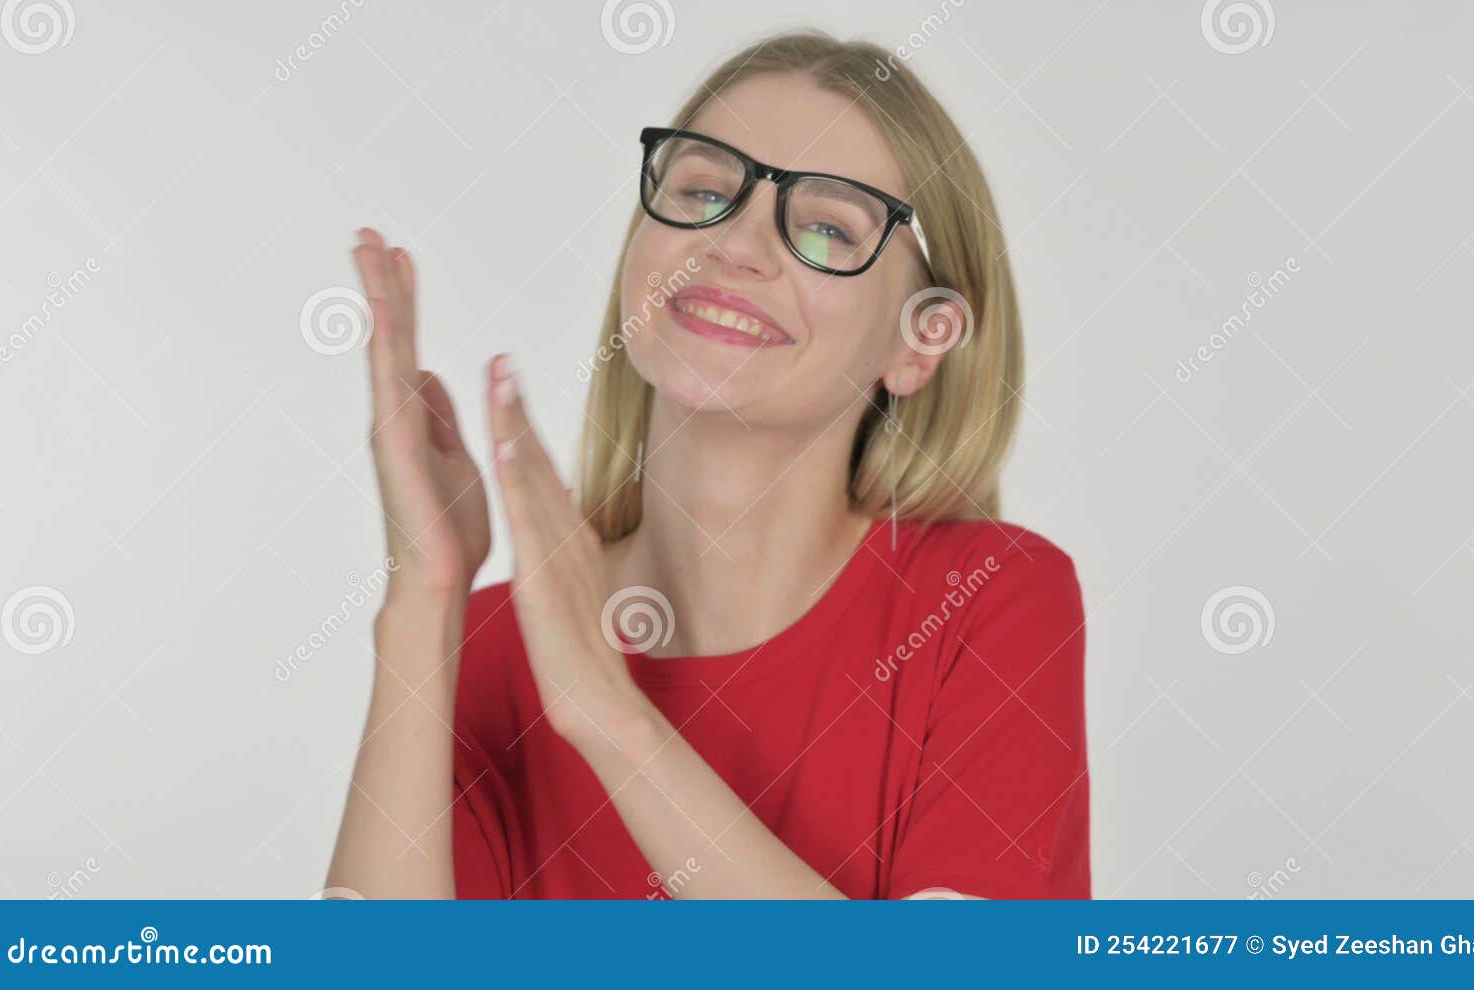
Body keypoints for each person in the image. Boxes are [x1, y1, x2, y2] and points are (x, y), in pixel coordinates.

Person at [326, 30, 1088, 900]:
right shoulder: (488, 646)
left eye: (829, 229)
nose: (735, 245)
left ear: (919, 342)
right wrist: (424, 602)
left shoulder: (991, 601)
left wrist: (610, 718)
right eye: (705, 191)